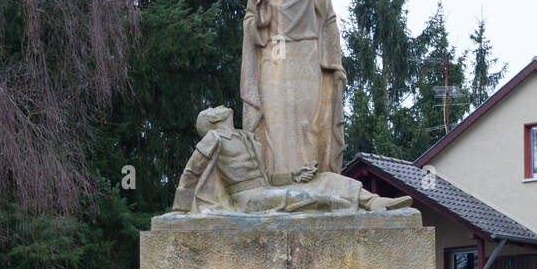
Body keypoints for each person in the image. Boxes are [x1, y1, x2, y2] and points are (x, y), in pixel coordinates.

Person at [241, 0, 346, 183]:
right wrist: (259, 23)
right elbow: (249, 20)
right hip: (272, 56)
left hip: (304, 55)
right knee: (275, 124)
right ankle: (279, 183)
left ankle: (310, 181)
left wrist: (334, 65)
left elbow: (329, 21)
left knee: (306, 121)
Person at [173, 106, 410, 214]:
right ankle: (352, 211)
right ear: (211, 121)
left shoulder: (245, 138)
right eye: (213, 108)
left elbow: (267, 179)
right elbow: (191, 173)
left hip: (265, 191)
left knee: (325, 178)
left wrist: (294, 176)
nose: (220, 106)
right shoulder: (214, 138)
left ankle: (371, 202)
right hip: (247, 200)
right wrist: (180, 209)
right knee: (308, 198)